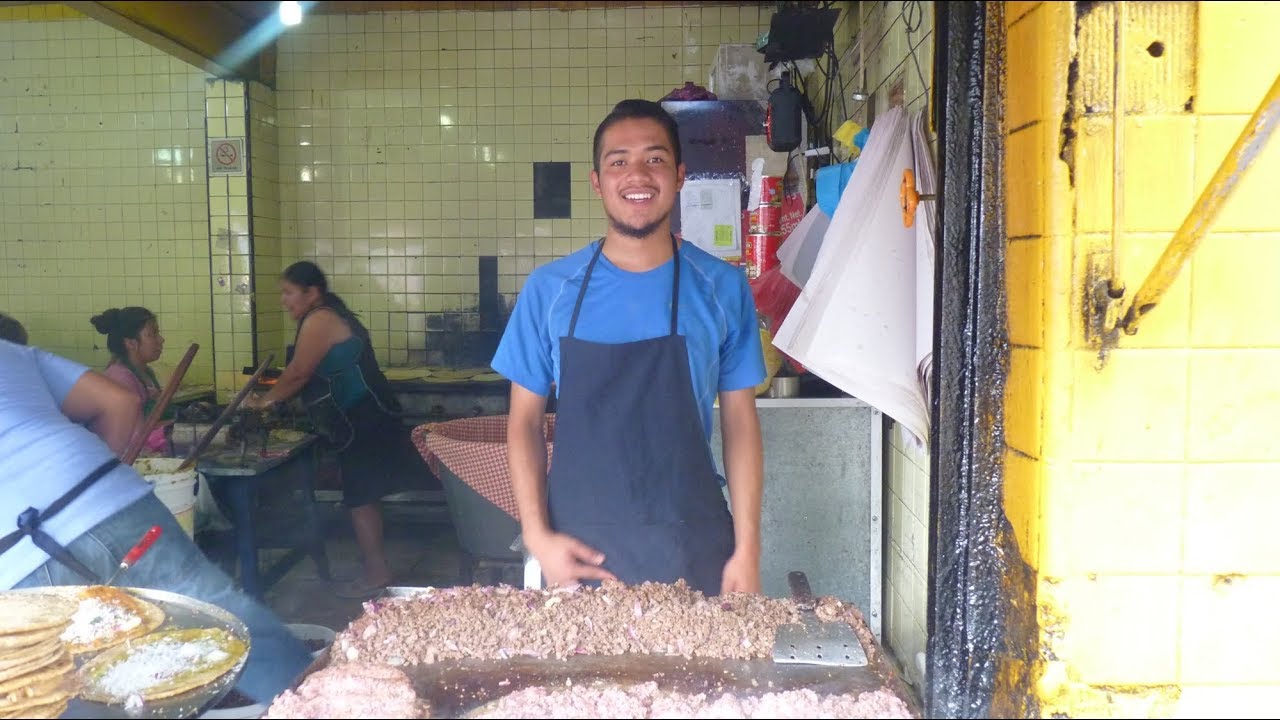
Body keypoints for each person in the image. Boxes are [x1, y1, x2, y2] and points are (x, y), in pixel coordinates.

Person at [491, 99, 767, 596]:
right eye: (619, 161)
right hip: (578, 554)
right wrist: (537, 536)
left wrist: (747, 550)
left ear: (680, 175)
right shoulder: (549, 290)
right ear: (597, 182)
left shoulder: (722, 288)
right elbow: (524, 423)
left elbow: (741, 424)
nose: (637, 174)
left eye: (655, 159)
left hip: (692, 544)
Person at [0, 338, 311, 704]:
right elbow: (119, 402)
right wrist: (93, 492)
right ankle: (321, 704)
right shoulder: (9, 350)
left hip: (17, 558)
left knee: (68, 690)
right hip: (107, 496)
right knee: (226, 622)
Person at [242, 261, 409, 598]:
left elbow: (298, 372)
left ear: (312, 293)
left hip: (362, 419)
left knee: (361, 498)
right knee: (364, 496)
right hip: (365, 417)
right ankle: (376, 566)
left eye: (289, 292)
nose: (284, 300)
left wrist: (263, 403)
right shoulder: (329, 314)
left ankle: (377, 573)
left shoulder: (320, 319)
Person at [91, 306, 169, 454]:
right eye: (152, 334)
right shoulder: (120, 379)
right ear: (130, 343)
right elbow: (135, 438)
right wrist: (172, 430)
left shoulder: (146, 372)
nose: (161, 339)